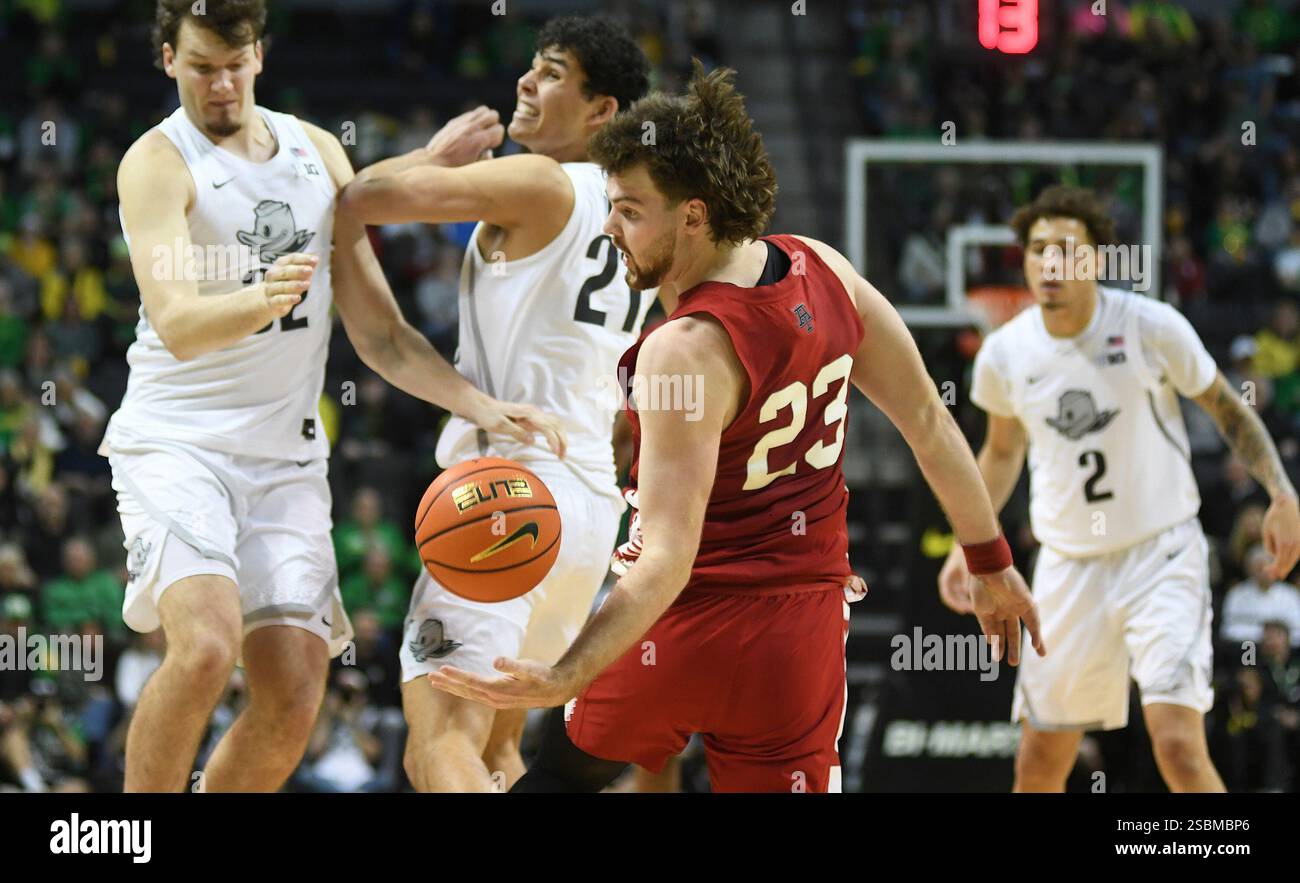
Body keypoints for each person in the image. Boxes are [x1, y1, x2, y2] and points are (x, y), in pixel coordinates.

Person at [426, 64, 1043, 793]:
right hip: (803, 631)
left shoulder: (682, 349)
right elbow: (930, 424)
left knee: (564, 779)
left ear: (693, 214)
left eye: (628, 210)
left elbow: (666, 559)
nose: (609, 226)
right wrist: (991, 559)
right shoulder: (826, 269)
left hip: (686, 621)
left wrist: (567, 672)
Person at [104, 0, 562, 793]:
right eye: (203, 67)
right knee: (208, 647)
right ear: (168, 60)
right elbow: (177, 323)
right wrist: (263, 295)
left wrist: (479, 405)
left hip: (284, 462)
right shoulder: (157, 161)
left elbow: (380, 336)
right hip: (178, 444)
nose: (221, 85)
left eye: (236, 64)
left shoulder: (316, 153)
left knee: (293, 696)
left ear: (260, 55)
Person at [339, 15, 652, 793]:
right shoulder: (638, 216)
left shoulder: (542, 181)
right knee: (499, 749)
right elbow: (385, 338)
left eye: (550, 73)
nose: (525, 82)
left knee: (438, 743)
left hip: (508, 493)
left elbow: (365, 197)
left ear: (601, 110)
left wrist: (432, 155)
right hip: (585, 513)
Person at [939, 184, 1300, 792]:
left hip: (1161, 555)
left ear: (1097, 261)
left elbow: (1229, 412)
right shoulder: (1004, 353)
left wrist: (1282, 492)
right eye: (1037, 250)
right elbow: (1001, 453)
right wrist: (966, 544)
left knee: (1180, 745)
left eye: (1066, 250)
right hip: (1066, 567)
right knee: (1038, 762)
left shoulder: (1151, 327)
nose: (1050, 263)